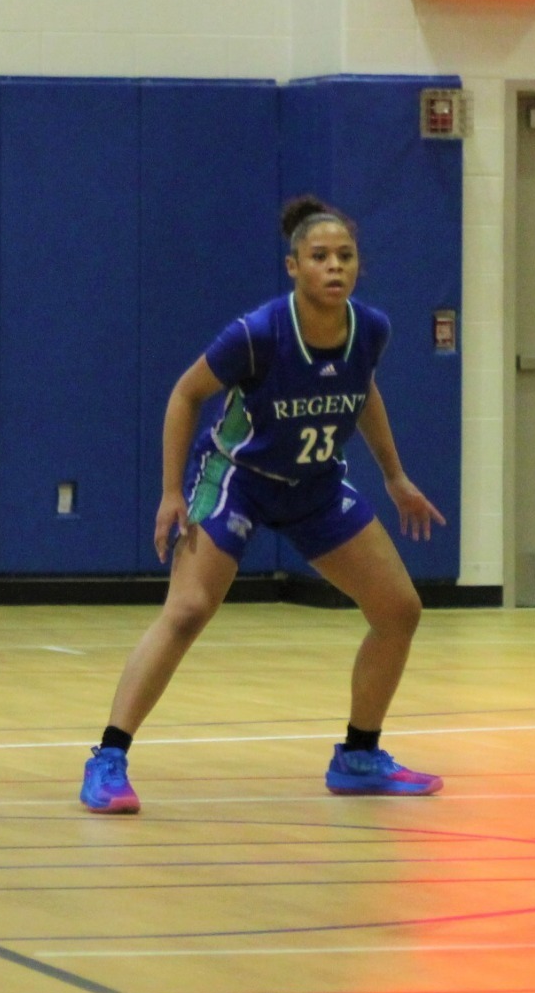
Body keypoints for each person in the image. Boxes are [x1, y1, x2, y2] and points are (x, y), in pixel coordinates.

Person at [80, 197, 446, 814]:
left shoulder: (371, 328)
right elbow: (183, 395)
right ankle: (108, 757)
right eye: (320, 257)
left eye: (346, 256)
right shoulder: (257, 333)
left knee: (399, 609)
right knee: (190, 608)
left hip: (316, 485)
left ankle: (359, 755)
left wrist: (396, 476)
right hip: (238, 477)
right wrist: (172, 492)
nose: (335, 267)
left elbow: (365, 394)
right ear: (293, 267)